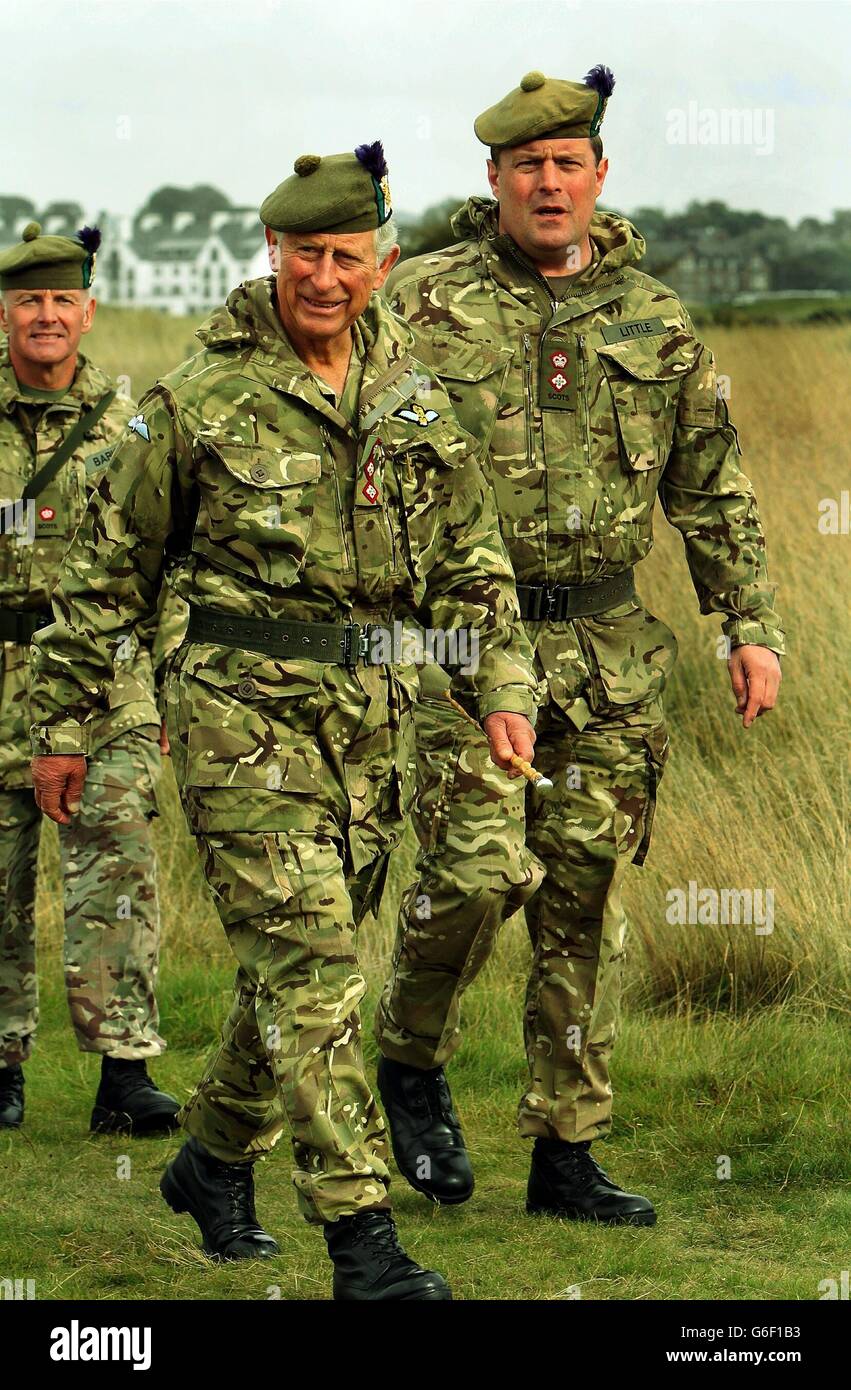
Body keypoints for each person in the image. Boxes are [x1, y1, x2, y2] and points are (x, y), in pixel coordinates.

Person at [28, 145, 539, 1300]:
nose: (323, 276)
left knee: (293, 974)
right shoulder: (199, 398)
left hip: (371, 728)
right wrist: (63, 719)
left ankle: (212, 1163)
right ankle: (361, 1244)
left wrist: (501, 686)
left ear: (383, 262)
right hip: (236, 719)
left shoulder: (414, 394)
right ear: (273, 253)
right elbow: (110, 570)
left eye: (345, 257)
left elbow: (470, 558)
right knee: (313, 970)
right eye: (303, 253)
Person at [376, 68, 784, 1226]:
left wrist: (744, 623)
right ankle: (409, 1059)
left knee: (580, 904)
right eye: (525, 167)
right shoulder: (419, 302)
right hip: (460, 649)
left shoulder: (655, 318)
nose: (546, 184)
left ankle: (564, 1153)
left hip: (608, 652)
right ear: (493, 180)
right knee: (471, 872)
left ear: (599, 177)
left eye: (567, 165)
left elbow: (710, 482)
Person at [0, 221, 184, 1135]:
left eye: (60, 300)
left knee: (116, 859)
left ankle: (123, 1072)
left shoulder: (131, 422)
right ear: (4, 313)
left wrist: (156, 685)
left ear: (87, 309)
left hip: (107, 678)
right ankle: (0, 1064)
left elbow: (170, 561)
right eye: (28, 300)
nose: (45, 316)